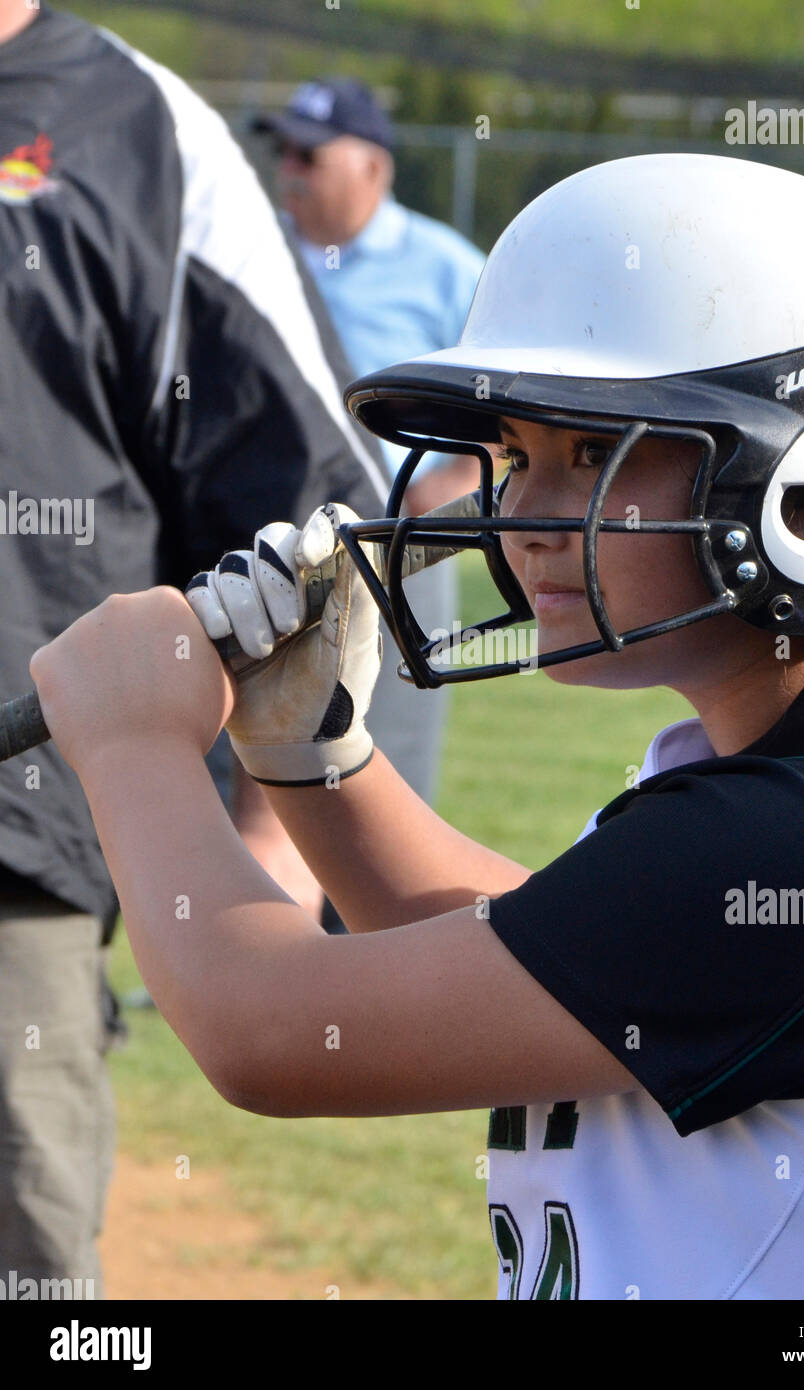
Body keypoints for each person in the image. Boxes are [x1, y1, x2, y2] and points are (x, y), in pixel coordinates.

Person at [29, 154, 804, 1300]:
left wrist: (132, 743)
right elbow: (540, 952)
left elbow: (266, 1029)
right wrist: (312, 757)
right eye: (520, 458)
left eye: (589, 454)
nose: (521, 516)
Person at [0, 1, 386, 1295]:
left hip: (15, 832)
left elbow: (311, 520)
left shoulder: (143, 131)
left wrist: (274, 833)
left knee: (27, 1243)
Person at [254, 77, 486, 814]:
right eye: (284, 151)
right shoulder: (253, 257)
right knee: (254, 764)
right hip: (270, 537)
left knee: (390, 767)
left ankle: (371, 931)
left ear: (373, 169)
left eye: (310, 154)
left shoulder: (446, 264)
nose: (289, 167)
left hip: (397, 538)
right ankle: (264, 929)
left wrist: (445, 489)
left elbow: (521, 403)